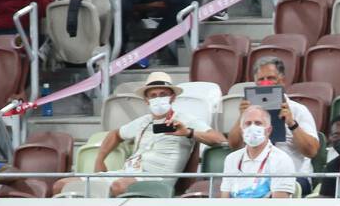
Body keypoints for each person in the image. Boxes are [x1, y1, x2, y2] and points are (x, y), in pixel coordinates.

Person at [55, 72, 222, 196]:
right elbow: (114, 135)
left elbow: (219, 139)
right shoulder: (143, 121)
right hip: (126, 173)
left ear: (172, 97)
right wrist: (100, 160)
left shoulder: (185, 119)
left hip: (157, 180)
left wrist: (188, 132)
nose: (158, 98)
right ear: (147, 100)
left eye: (163, 94)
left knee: (118, 187)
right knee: (62, 185)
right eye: (153, 95)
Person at [224, 57, 319, 191]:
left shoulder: (298, 110)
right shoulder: (250, 114)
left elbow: (312, 151)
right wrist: (242, 116)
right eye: (261, 80)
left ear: (282, 81)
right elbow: (233, 145)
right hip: (255, 176)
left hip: (294, 176)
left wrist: (292, 124)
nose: (265, 83)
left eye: (270, 78)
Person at [221, 105, 298, 198]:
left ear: (269, 130)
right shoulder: (231, 159)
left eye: (258, 123)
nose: (252, 127)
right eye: (248, 123)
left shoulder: (281, 160)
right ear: (242, 131)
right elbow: (224, 200)